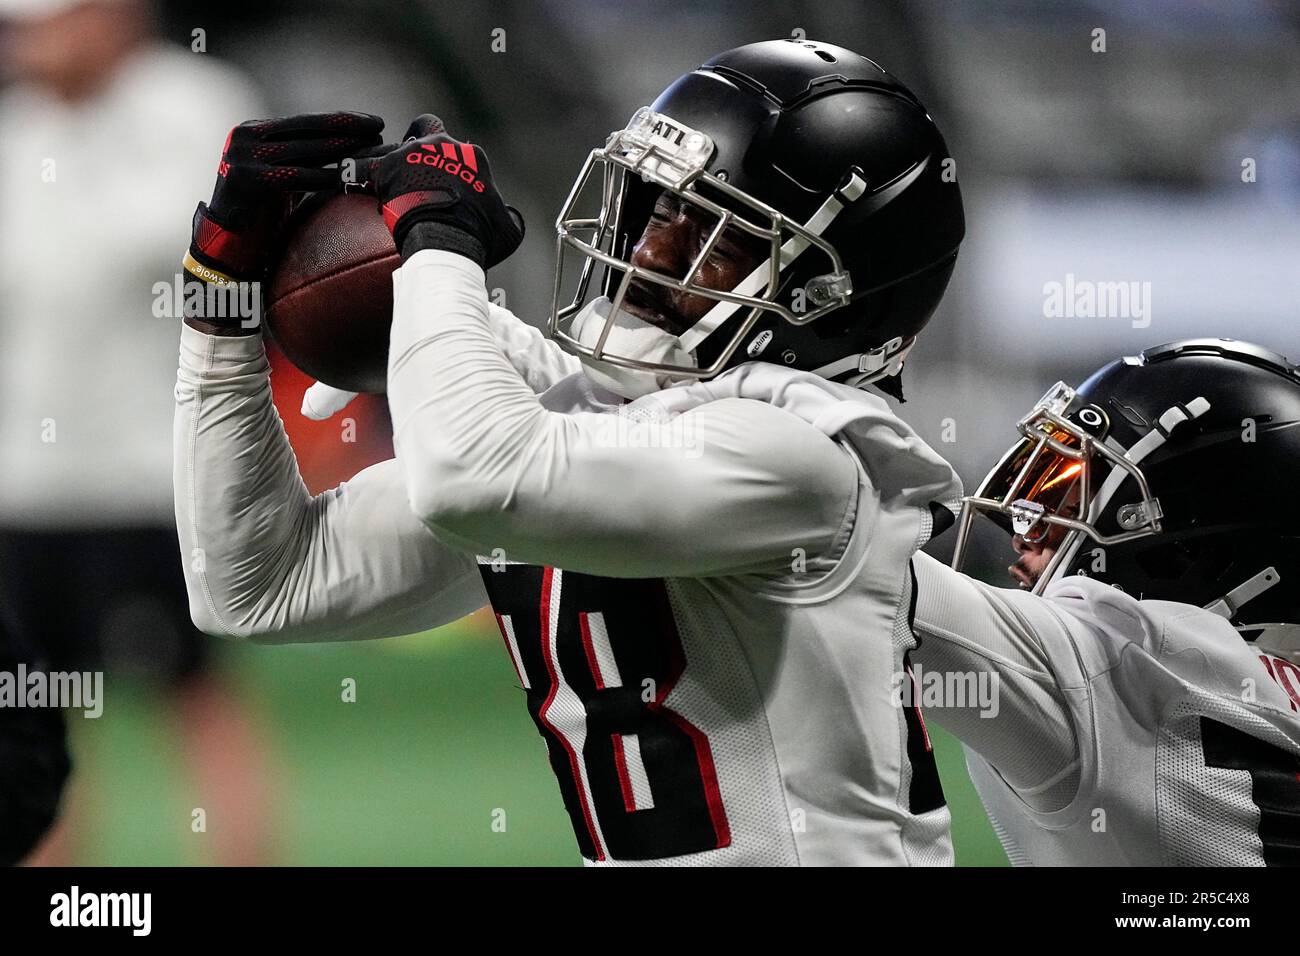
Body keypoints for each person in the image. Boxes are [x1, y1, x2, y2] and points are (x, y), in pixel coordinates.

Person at [174, 39, 967, 865]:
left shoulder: (805, 452)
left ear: (831, 298)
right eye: (660, 212)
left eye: (718, 241)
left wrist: (436, 245)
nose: (654, 254)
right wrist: (218, 299)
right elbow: (253, 585)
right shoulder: (600, 418)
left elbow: (473, 478)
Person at [0, 0, 271, 864]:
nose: (27, 43)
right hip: (26, 482)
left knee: (195, 698)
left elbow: (189, 251)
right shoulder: (16, 132)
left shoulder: (194, 106)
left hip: (152, 473)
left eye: (49, 23)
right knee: (30, 722)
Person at [910, 339, 1300, 865]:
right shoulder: (1247, 682)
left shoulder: (1142, 666)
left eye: (1069, 504)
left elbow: (868, 579)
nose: (1025, 537)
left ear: (1186, 548)